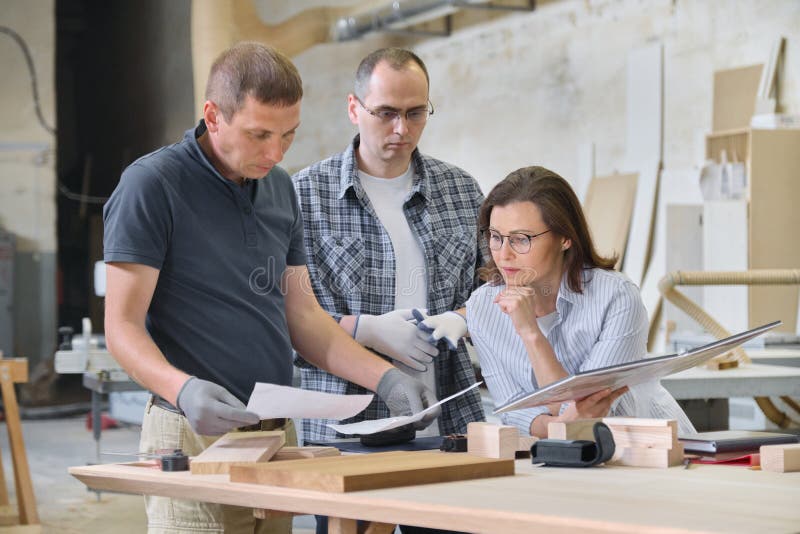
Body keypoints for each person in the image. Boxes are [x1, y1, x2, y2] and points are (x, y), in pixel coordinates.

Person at [103, 42, 439, 534]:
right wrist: (183, 389)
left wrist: (385, 380)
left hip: (275, 435)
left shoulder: (280, 188)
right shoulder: (152, 185)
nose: (276, 153)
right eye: (259, 134)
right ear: (213, 116)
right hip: (191, 433)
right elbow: (121, 327)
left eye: (288, 135)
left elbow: (302, 316)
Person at [292, 47, 485, 449]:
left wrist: (462, 318)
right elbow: (283, 324)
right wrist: (366, 330)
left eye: (416, 113)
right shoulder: (305, 196)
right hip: (344, 430)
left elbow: (495, 292)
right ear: (354, 108)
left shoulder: (461, 191)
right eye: (386, 113)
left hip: (448, 423)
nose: (402, 129)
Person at [418, 166, 695, 438]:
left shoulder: (617, 297)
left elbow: (592, 411)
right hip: (565, 452)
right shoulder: (483, 307)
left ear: (565, 237)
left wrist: (530, 332)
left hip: (652, 446)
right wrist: (563, 424)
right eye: (496, 237)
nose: (503, 254)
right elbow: (515, 413)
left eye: (521, 239)